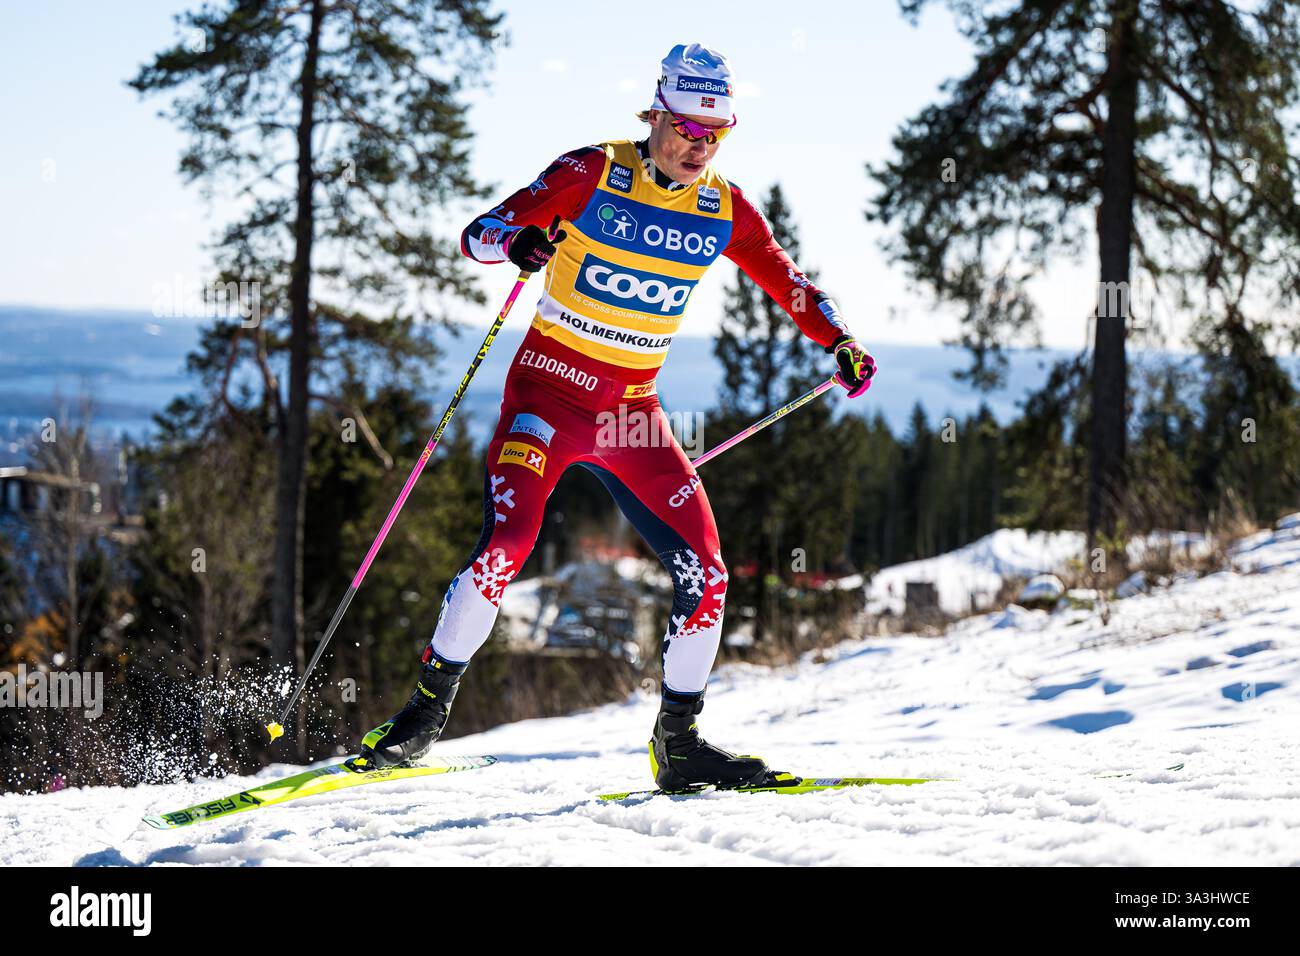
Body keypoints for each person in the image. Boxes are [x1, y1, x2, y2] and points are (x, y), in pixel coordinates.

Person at [358, 42, 876, 790]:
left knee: (708, 571)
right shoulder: (590, 171)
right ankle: (422, 716)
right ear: (657, 114)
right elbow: (476, 234)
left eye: (716, 134)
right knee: (507, 546)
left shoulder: (722, 207)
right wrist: (520, 242)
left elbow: (788, 281)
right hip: (546, 399)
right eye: (690, 129)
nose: (701, 146)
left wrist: (841, 339)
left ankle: (681, 742)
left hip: (631, 416)